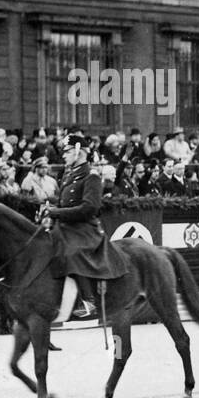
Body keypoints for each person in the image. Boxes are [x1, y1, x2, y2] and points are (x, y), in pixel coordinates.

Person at [42, 135, 127, 324]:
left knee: (71, 251)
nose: (63, 156)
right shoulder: (69, 173)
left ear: (78, 152)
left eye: (67, 151)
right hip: (67, 224)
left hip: (84, 227)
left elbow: (90, 208)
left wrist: (56, 212)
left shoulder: (92, 176)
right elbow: (64, 201)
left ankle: (89, 300)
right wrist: (49, 207)